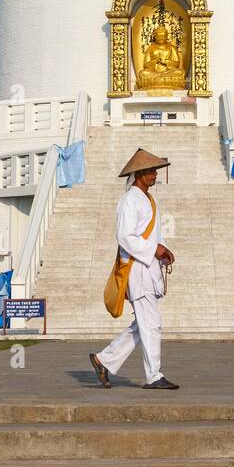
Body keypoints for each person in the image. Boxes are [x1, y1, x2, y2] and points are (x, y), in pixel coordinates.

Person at [89, 148, 178, 390]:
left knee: (143, 325)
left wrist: (162, 251)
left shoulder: (147, 199)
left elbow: (152, 236)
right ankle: (154, 375)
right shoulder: (129, 199)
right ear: (139, 174)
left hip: (148, 267)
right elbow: (125, 237)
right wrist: (154, 250)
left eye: (155, 170)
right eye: (151, 170)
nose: (155, 175)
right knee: (150, 325)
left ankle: (103, 360)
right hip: (138, 270)